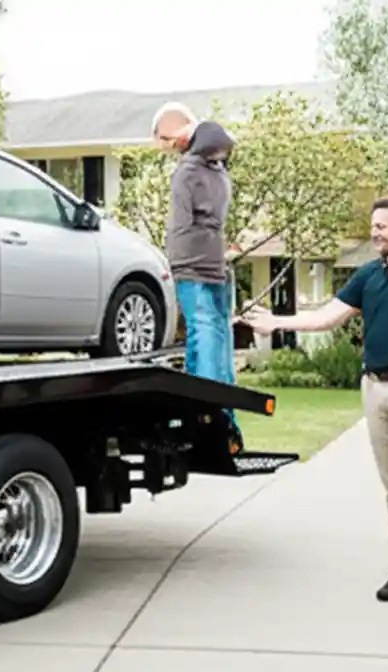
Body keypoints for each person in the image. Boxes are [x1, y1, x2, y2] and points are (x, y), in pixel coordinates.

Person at [242, 196, 388, 602]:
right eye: (373, 226)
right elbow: (327, 316)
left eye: (381, 225)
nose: (374, 232)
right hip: (374, 388)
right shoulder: (369, 276)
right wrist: (275, 322)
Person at [151, 101, 243, 443]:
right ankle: (220, 412)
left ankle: (209, 414)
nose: (166, 148)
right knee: (216, 337)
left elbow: (179, 224)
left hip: (192, 263)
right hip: (216, 261)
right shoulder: (218, 167)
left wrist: (171, 261)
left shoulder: (189, 169)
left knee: (203, 332)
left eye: (164, 140)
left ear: (177, 132)